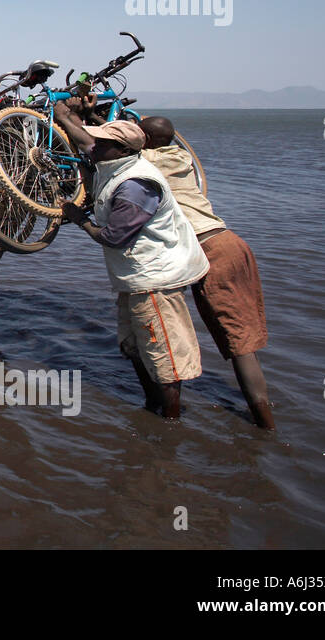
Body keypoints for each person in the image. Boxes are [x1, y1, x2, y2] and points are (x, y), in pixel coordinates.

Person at [53, 110, 210, 420]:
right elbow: (85, 142)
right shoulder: (113, 165)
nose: (95, 146)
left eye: (104, 143)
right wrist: (65, 116)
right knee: (133, 347)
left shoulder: (136, 183)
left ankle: (170, 425)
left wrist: (79, 219)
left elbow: (113, 237)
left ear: (124, 150)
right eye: (98, 142)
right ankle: (152, 408)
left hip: (155, 281)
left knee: (164, 359)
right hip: (135, 280)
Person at [140, 116, 275, 429]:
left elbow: (104, 150)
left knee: (238, 343)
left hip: (210, 251)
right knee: (243, 337)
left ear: (145, 139)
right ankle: (264, 421)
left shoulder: (147, 163)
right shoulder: (180, 156)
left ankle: (266, 425)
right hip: (230, 242)